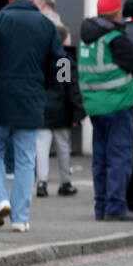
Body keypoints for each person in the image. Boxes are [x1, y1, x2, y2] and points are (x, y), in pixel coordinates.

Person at [0, 0, 65, 233]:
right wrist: (54, 86)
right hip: (31, 101)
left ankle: (0, 199)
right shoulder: (47, 26)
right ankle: (20, 218)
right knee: (26, 159)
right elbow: (63, 62)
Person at [79, 0, 133, 222]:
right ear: (117, 13)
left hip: (95, 107)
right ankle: (116, 207)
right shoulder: (114, 38)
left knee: (100, 158)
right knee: (119, 156)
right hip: (118, 105)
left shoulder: (86, 38)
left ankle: (101, 206)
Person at [36, 24, 84, 197]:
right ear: (64, 39)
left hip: (42, 109)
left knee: (41, 147)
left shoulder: (41, 58)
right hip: (61, 110)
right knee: (63, 147)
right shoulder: (63, 60)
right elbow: (68, 87)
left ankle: (42, 182)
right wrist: (77, 112)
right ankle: (65, 182)